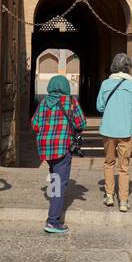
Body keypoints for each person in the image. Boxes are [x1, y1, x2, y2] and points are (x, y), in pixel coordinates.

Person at [30, 73, 86, 235]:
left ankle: (53, 201)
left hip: (46, 148)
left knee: (55, 177)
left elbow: (34, 124)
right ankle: (53, 221)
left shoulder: (43, 103)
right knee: (60, 183)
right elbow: (81, 123)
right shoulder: (70, 102)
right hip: (62, 147)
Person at [96, 52, 132, 213]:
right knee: (124, 167)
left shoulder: (105, 84)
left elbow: (100, 107)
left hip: (108, 130)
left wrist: (112, 112)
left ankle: (109, 196)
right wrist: (129, 115)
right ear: (128, 67)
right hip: (126, 131)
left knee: (109, 163)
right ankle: (123, 201)